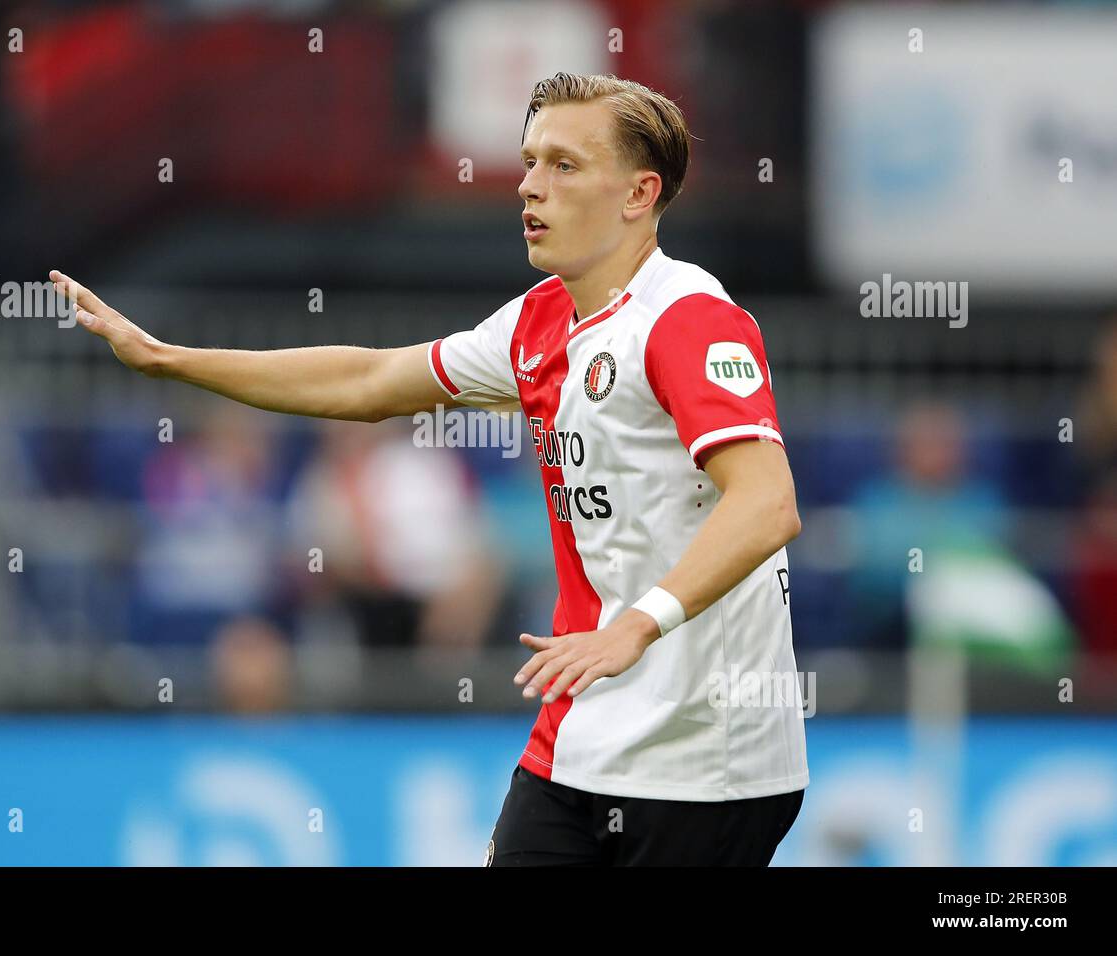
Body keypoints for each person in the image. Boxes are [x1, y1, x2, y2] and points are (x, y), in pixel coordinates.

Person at [51, 72, 806, 867]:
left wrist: (637, 622)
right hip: (580, 730)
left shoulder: (688, 319)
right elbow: (370, 382)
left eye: (564, 165)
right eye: (528, 161)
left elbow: (768, 503)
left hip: (709, 753)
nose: (529, 186)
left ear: (638, 193)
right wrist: (173, 361)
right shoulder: (536, 323)